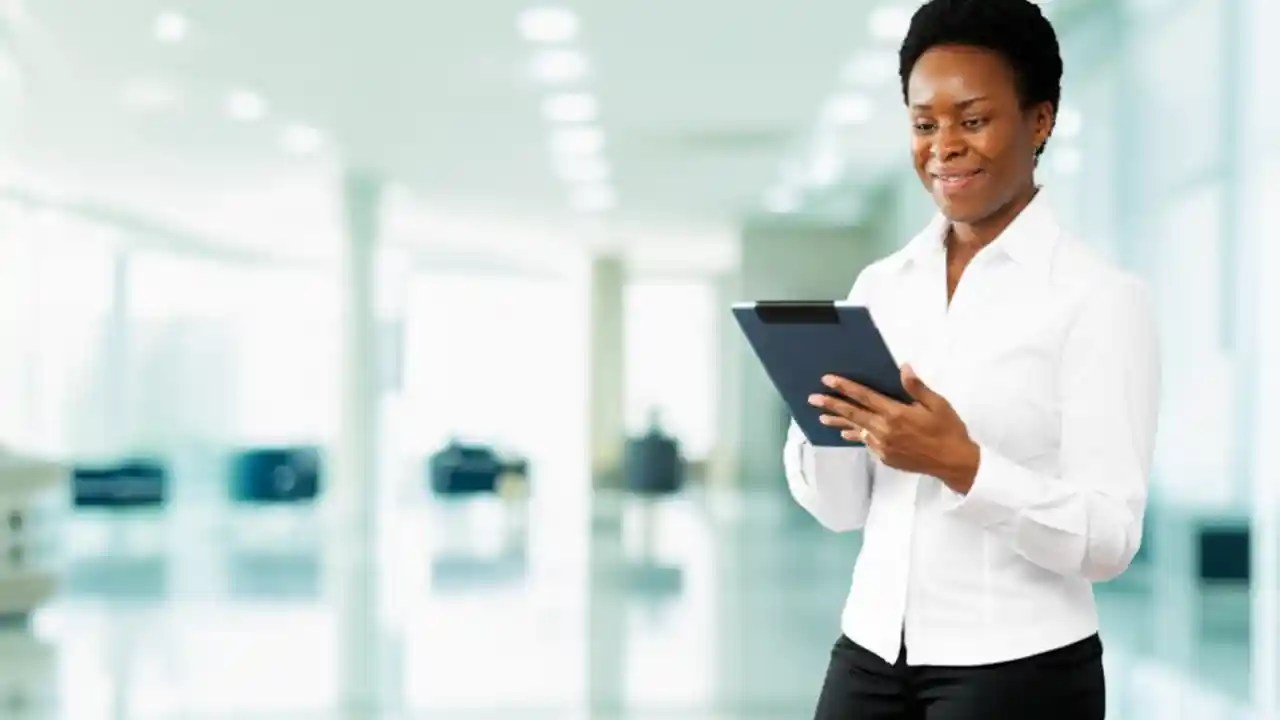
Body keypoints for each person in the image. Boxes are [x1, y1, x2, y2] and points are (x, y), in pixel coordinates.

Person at [782, 1, 1161, 718]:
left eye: (974, 120)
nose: (944, 147)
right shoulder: (880, 287)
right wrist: (823, 423)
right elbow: (841, 511)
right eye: (924, 124)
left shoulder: (1100, 299)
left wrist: (961, 463)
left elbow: (1110, 540)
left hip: (1019, 669)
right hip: (870, 649)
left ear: (1040, 121)